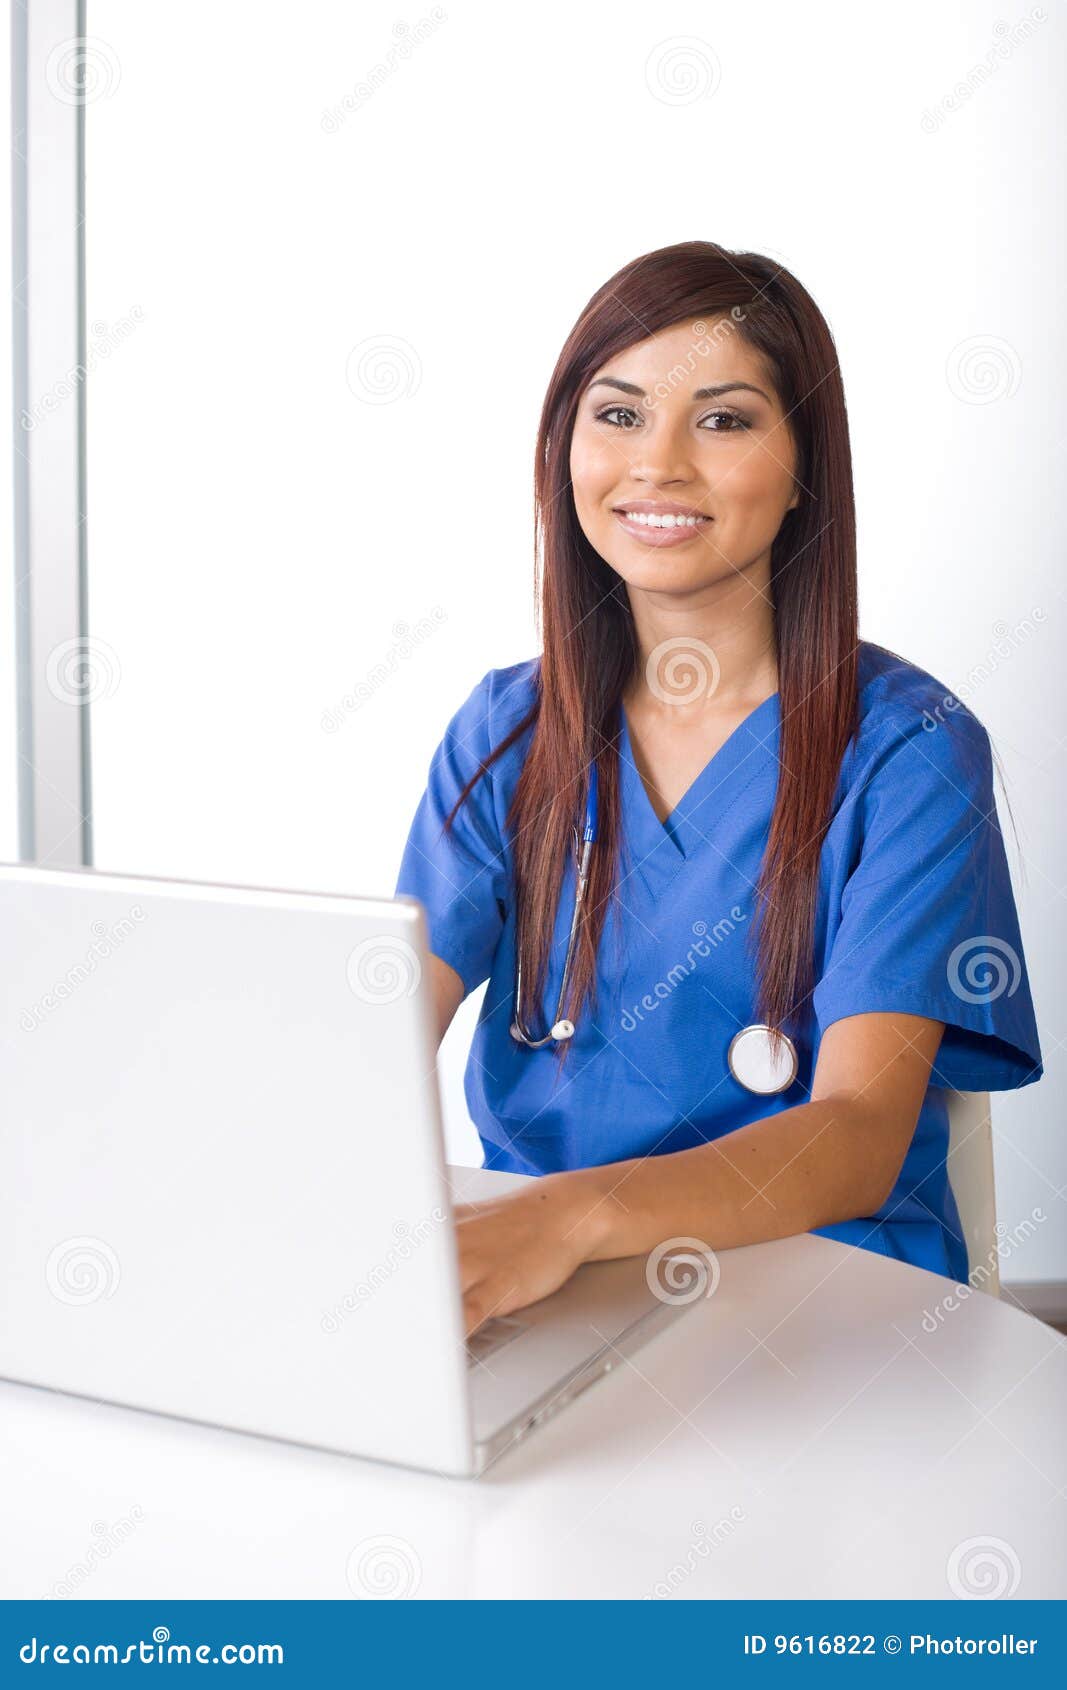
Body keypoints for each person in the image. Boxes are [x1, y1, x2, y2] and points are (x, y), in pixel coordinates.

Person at [394, 241, 1042, 1336]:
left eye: (723, 420)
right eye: (617, 414)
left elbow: (856, 1131)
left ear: (802, 472)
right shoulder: (504, 733)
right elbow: (374, 1033)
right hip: (553, 1296)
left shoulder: (910, 752)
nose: (656, 464)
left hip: (825, 1300)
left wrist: (568, 1217)